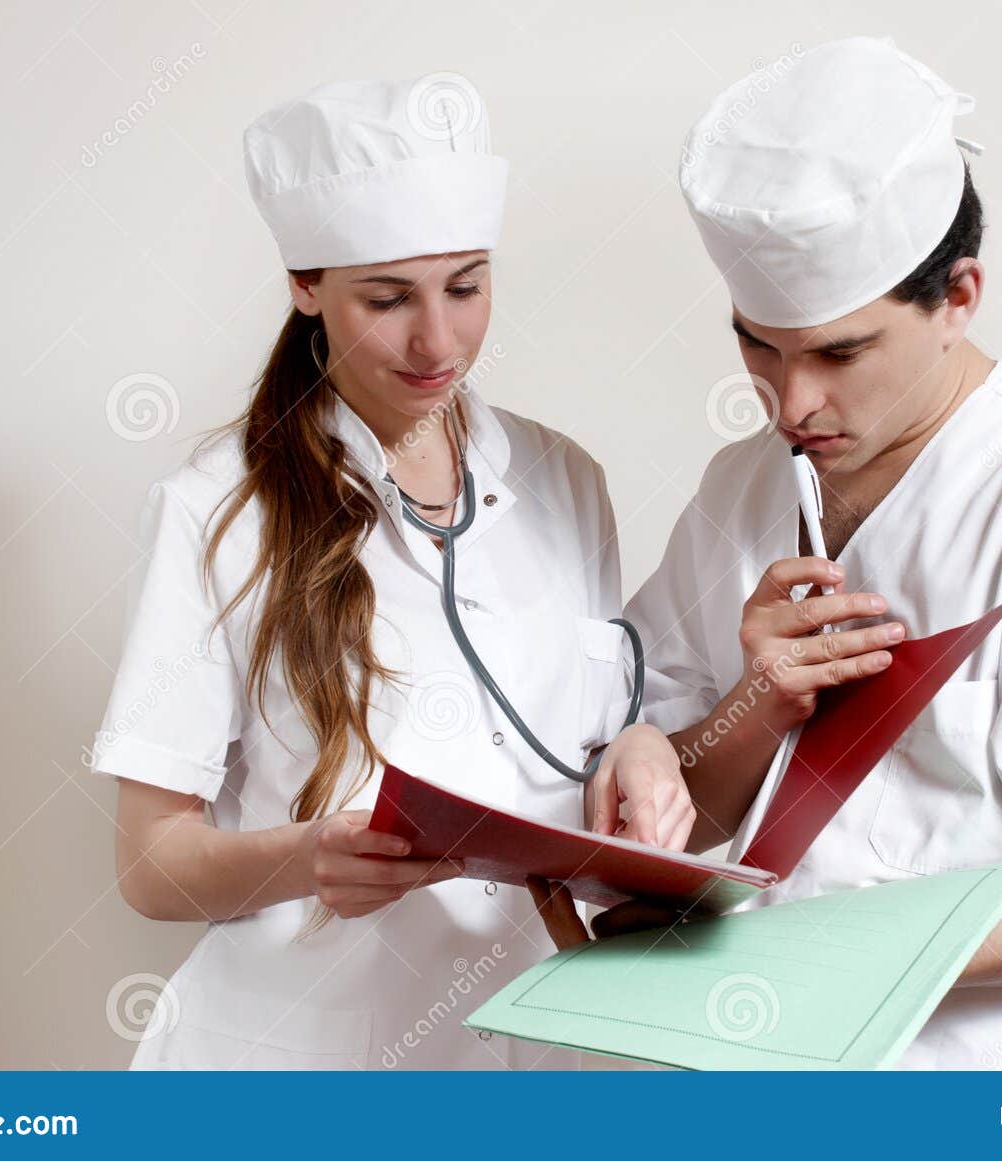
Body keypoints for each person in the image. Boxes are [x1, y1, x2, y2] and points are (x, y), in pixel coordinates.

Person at [537, 37, 1002, 1069]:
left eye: (840, 350)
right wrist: (670, 744)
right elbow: (683, 813)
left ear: (959, 295)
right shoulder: (745, 486)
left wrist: (752, 960)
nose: (791, 402)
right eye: (756, 343)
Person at [88, 73, 691, 1070]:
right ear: (304, 286)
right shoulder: (215, 512)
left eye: (465, 285)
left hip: (528, 1039)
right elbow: (152, 866)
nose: (437, 341)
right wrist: (304, 857)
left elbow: (574, 729)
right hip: (309, 1054)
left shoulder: (562, 478)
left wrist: (638, 746)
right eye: (386, 298)